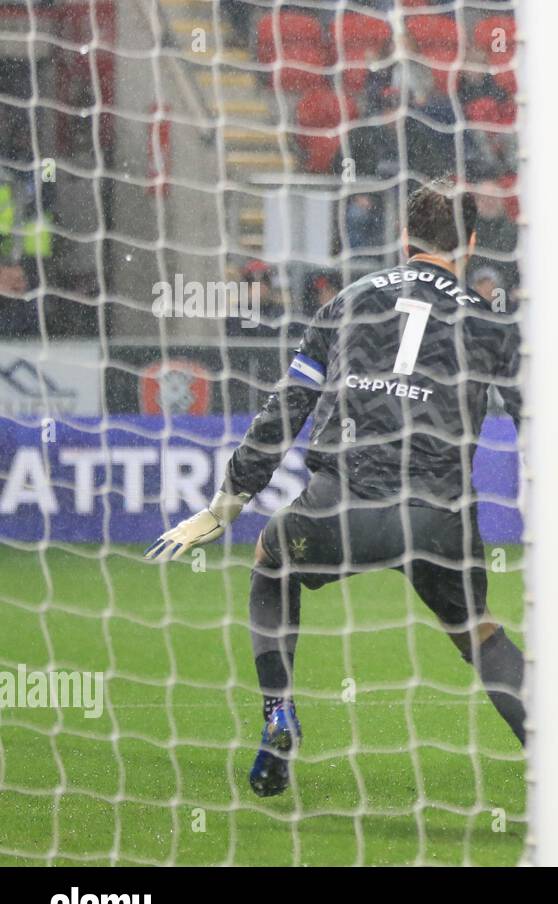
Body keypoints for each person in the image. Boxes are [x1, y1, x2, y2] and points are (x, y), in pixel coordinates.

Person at [145, 181, 528, 796]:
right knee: (477, 631)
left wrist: (230, 500)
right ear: (472, 243)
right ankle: (551, 756)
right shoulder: (490, 322)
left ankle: (279, 714)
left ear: (405, 238)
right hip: (437, 514)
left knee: (271, 561)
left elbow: (289, 404)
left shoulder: (348, 300)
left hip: (343, 502)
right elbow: (534, 420)